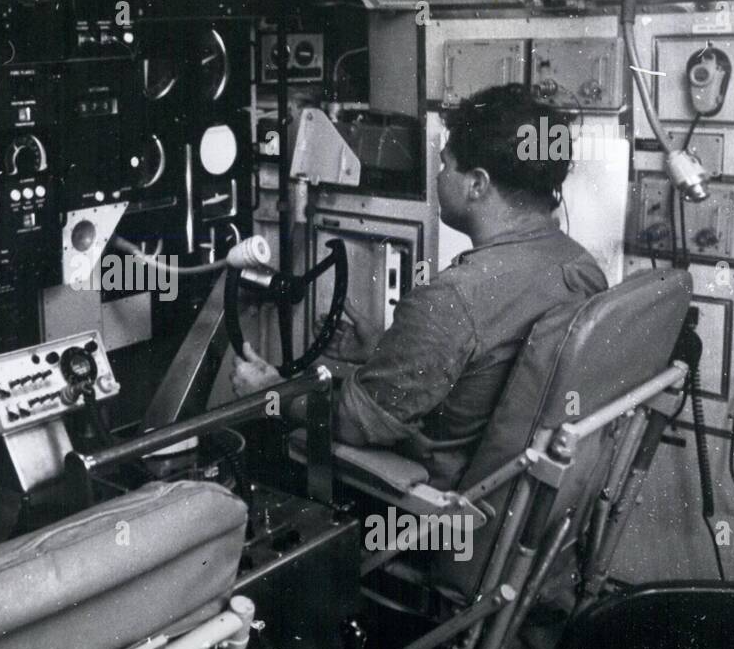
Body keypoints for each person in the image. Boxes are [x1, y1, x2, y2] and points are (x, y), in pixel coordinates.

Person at [231, 84, 608, 490]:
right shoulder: (581, 267)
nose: (440, 174)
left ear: (477, 184)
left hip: (431, 510)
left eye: (446, 165)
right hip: (526, 508)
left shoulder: (453, 299)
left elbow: (354, 425)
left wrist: (271, 392)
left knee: (258, 454)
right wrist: (383, 348)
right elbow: (487, 372)